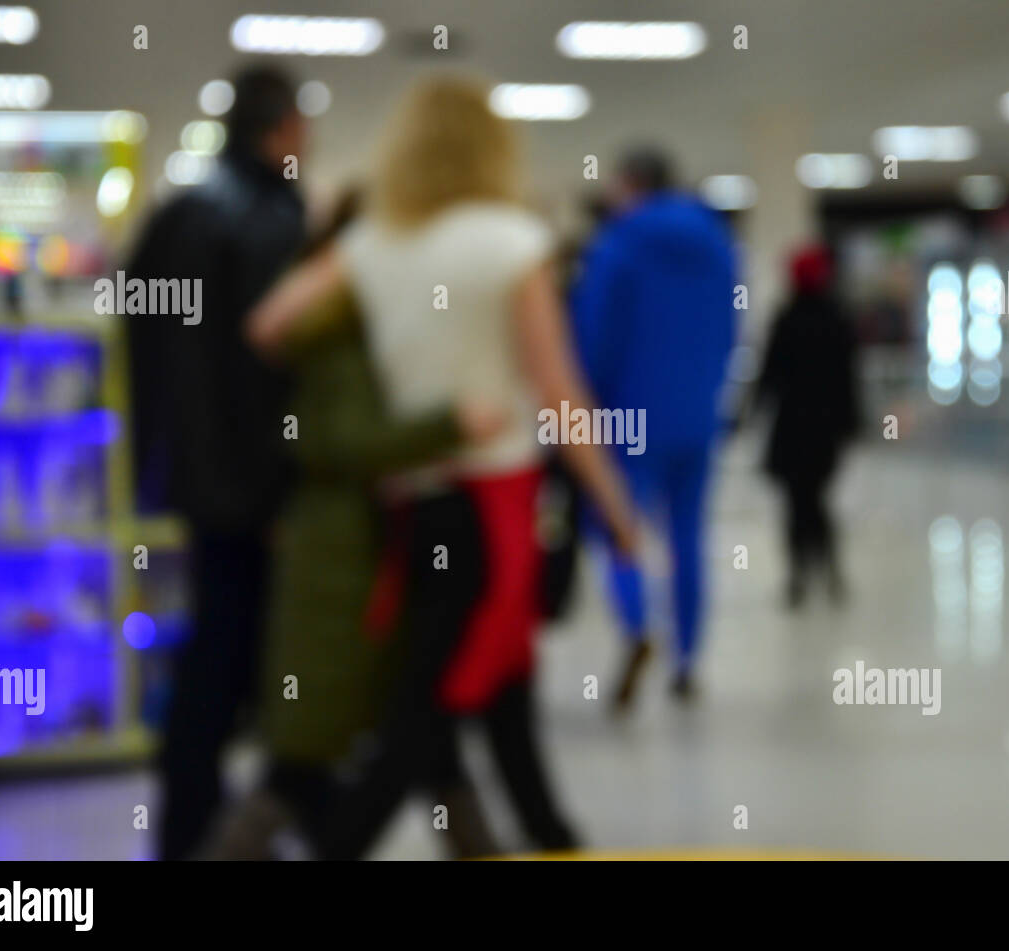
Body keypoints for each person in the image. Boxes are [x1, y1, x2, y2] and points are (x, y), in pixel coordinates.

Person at [247, 76, 639, 858]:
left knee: (499, 682)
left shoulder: (375, 242)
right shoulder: (509, 239)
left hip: (414, 501)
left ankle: (549, 833)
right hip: (495, 502)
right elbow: (560, 393)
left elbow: (269, 323)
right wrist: (617, 512)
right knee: (429, 708)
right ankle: (347, 844)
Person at [199, 194, 506, 860]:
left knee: (418, 734)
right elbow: (346, 438)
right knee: (318, 750)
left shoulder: (349, 327)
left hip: (363, 554)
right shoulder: (344, 335)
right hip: (340, 565)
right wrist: (453, 423)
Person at [124, 65, 307, 860]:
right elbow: (265, 372)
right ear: (284, 128)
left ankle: (193, 813)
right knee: (251, 658)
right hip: (251, 485)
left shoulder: (178, 214)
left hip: (193, 477)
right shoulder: (265, 219)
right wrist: (274, 490)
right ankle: (234, 823)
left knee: (209, 649)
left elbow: (147, 345)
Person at [570, 148, 738, 707]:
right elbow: (731, 329)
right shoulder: (718, 245)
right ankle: (686, 659)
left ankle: (637, 622)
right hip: (697, 412)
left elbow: (598, 335)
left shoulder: (617, 246)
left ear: (631, 184)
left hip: (629, 412)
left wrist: (584, 403)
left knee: (617, 525)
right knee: (688, 536)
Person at [750, 245, 860, 608]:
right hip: (826, 431)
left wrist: (750, 413)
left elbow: (769, 375)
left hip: (793, 429)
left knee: (798, 503)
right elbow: (849, 380)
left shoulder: (787, 319)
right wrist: (851, 424)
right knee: (816, 500)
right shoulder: (837, 319)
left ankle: (801, 575)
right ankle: (827, 570)